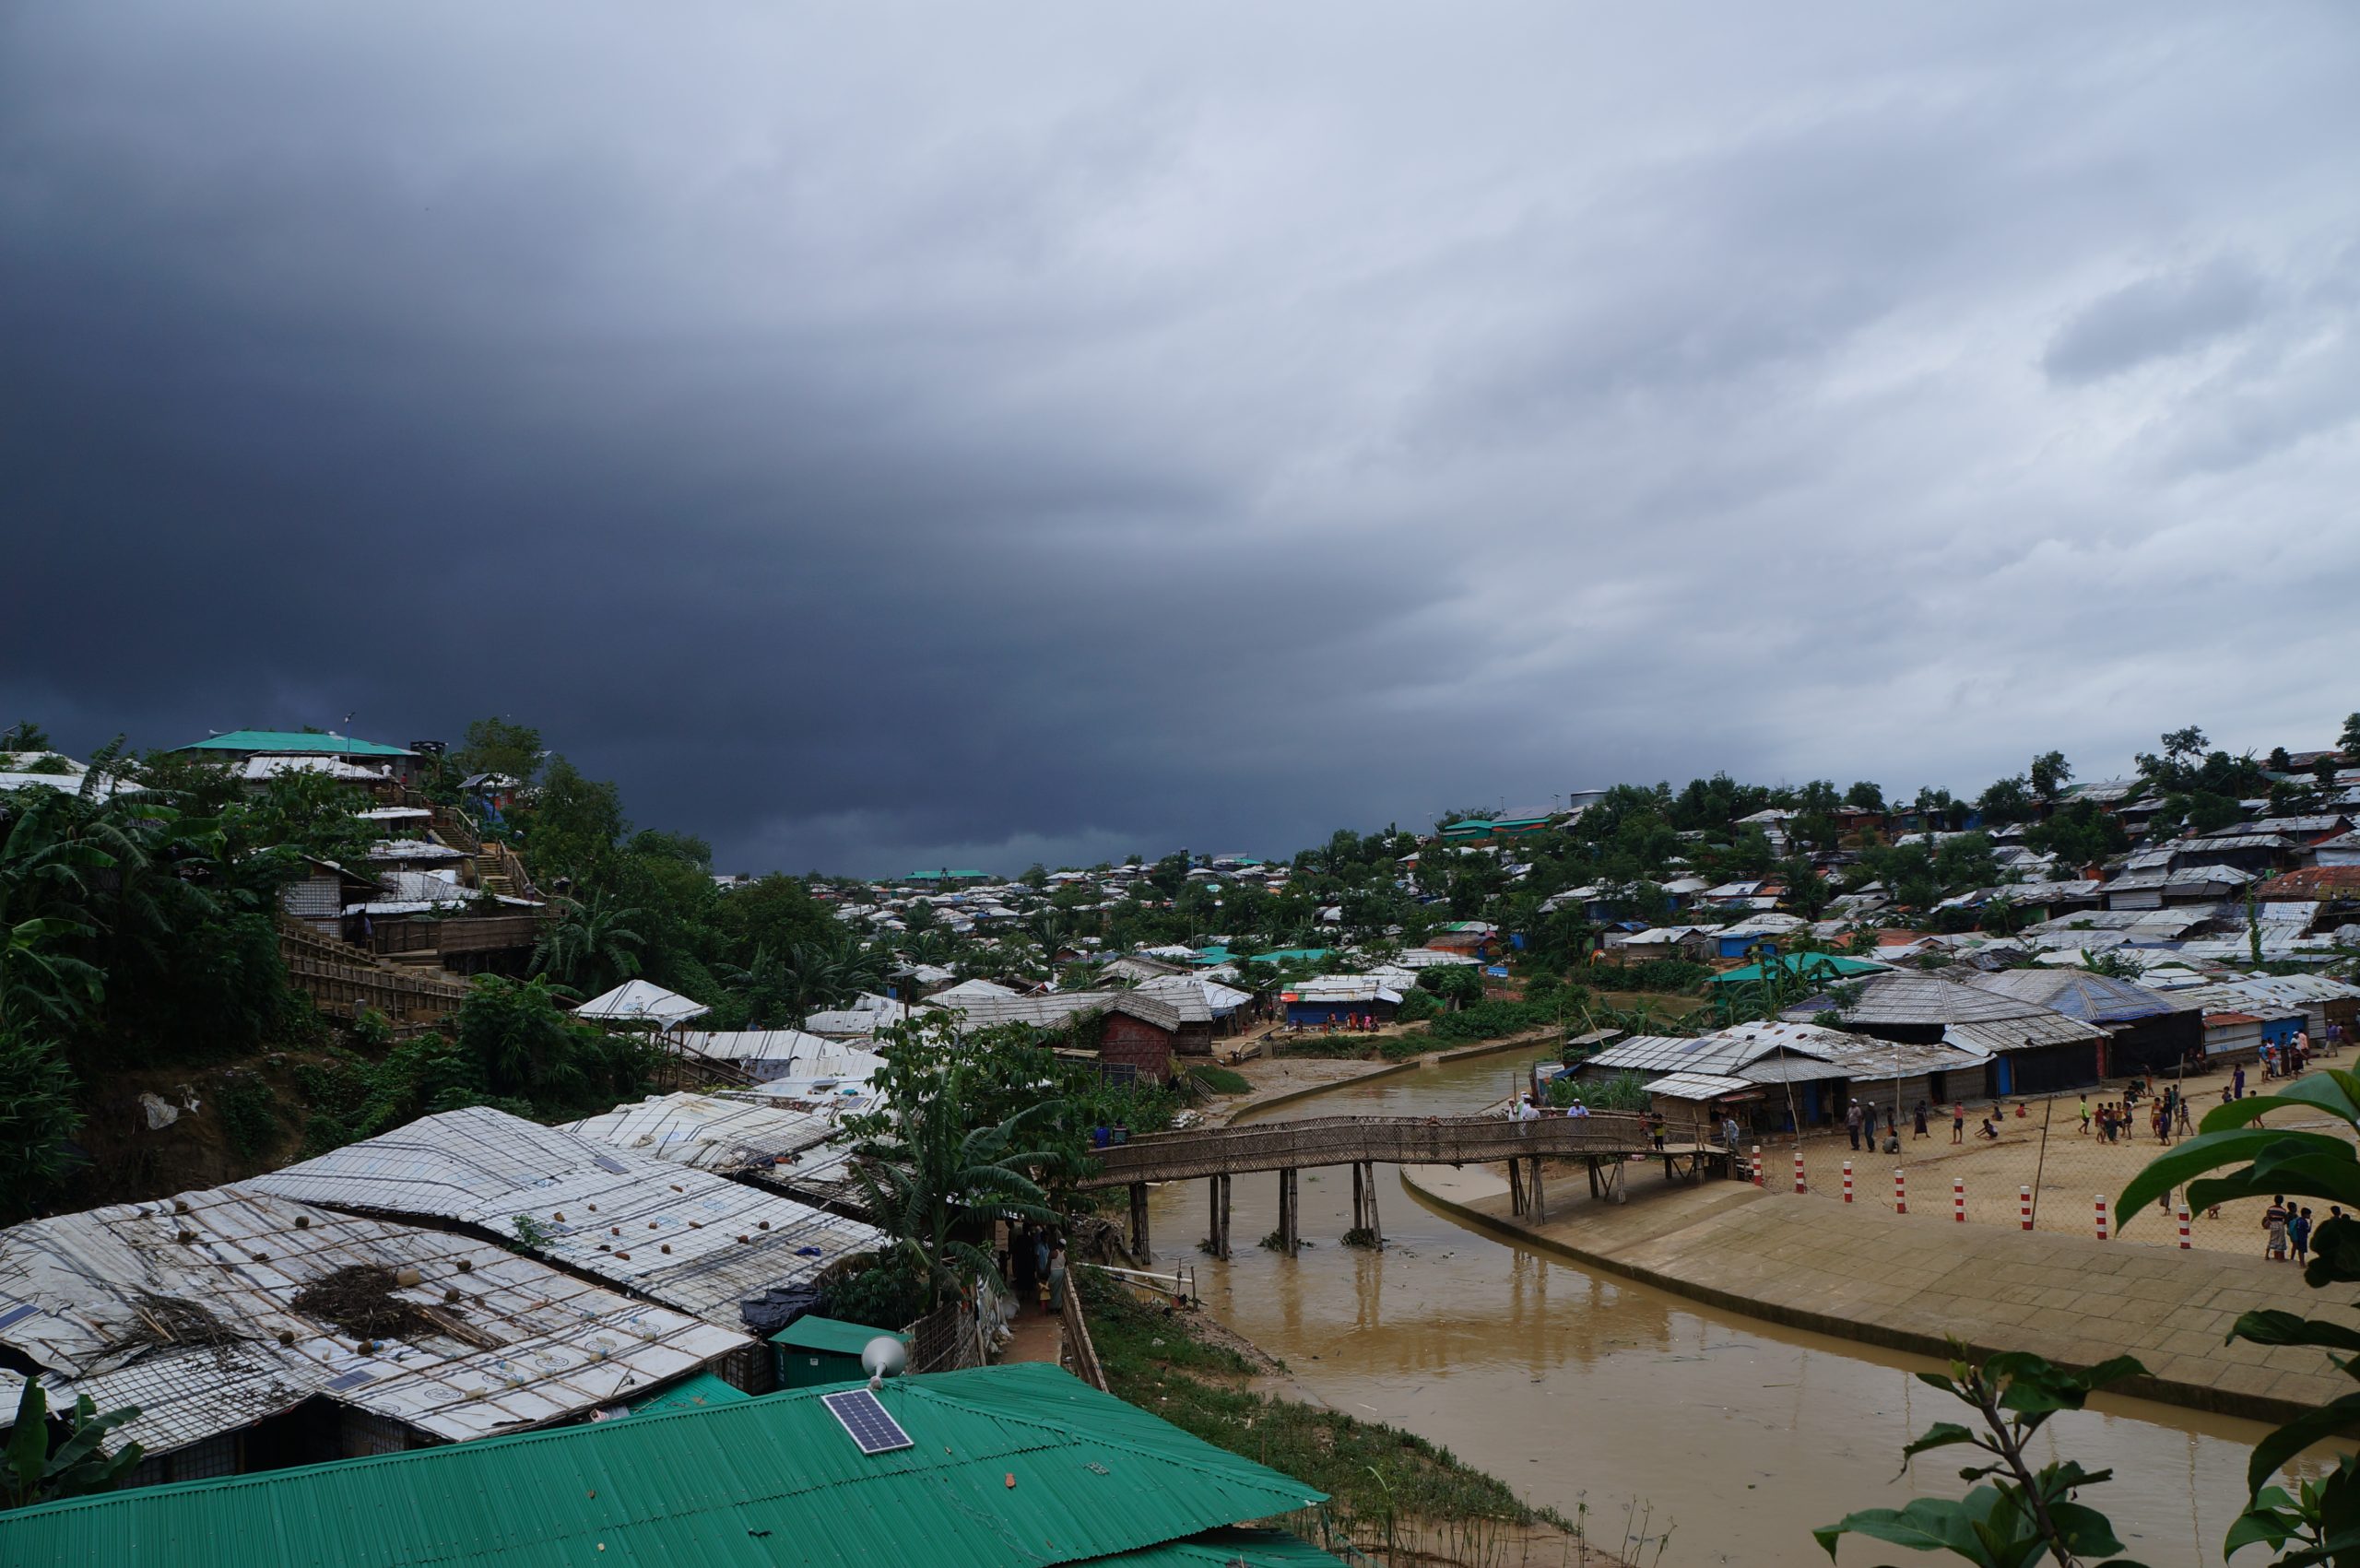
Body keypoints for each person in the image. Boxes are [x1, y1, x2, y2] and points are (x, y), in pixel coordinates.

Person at [2264, 1196, 2290, 1262]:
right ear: (2282, 1201)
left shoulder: (2270, 1208)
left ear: (2274, 1200)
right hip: (2280, 1224)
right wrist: (2283, 1224)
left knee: (2271, 1239)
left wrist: (2270, 1221)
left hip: (2273, 1224)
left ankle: (2266, 1255)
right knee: (2280, 1241)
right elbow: (2286, 1219)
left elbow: (2268, 1216)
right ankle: (2280, 1258)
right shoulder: (2283, 1210)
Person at [1046, 1240, 1068, 1314]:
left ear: (1058, 1244)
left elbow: (1048, 1264)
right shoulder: (1065, 1254)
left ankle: (1052, 1307)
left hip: (1053, 1273)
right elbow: (1066, 1264)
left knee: (1051, 1290)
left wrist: (1047, 1272)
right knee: (1058, 1290)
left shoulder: (1053, 1253)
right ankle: (1058, 1307)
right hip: (1061, 1273)